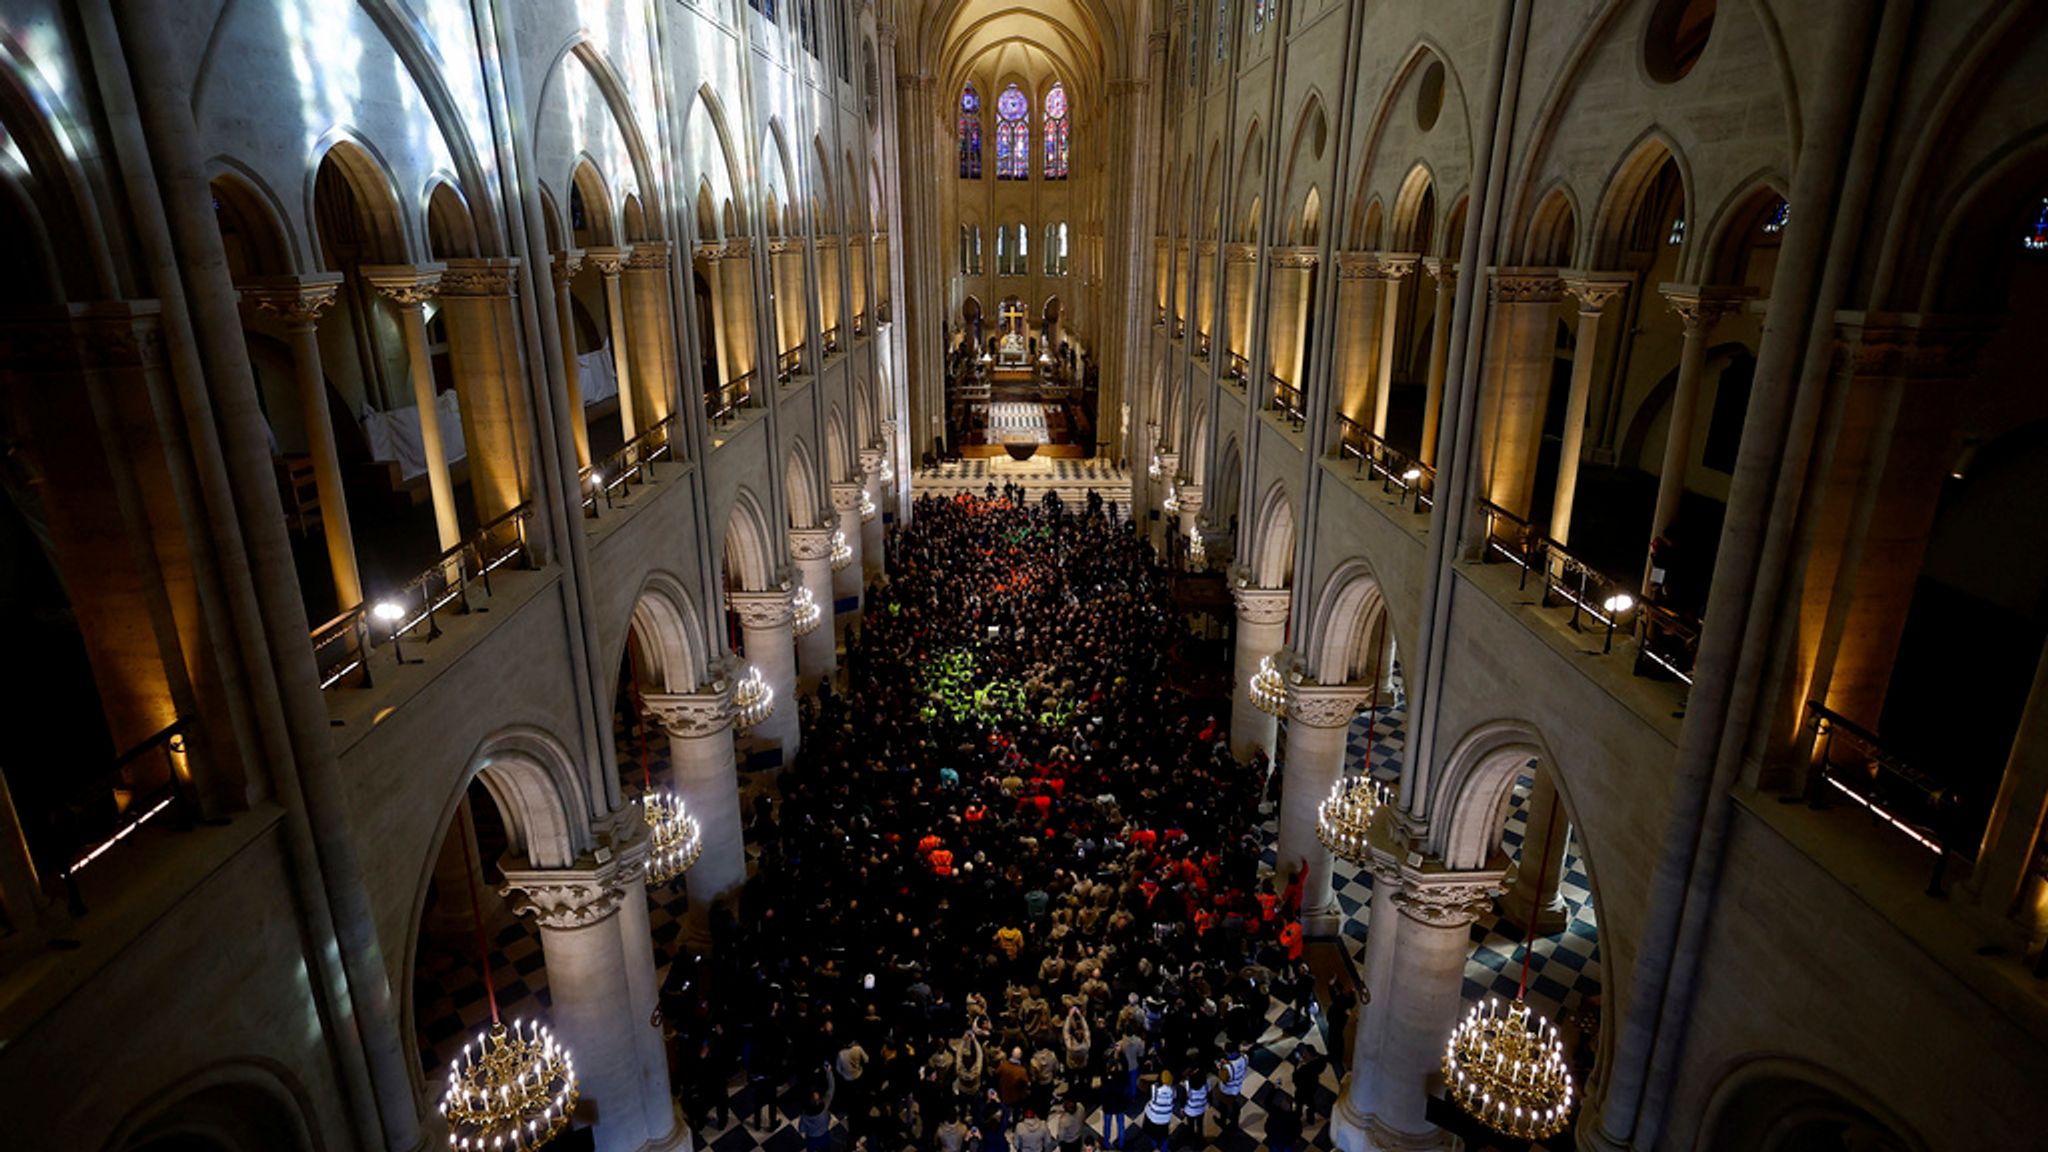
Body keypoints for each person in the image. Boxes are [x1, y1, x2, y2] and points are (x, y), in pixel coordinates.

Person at [798, 1062, 835, 1152]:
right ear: (818, 1101)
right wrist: (829, 1072)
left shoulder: (805, 1115)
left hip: (811, 1138)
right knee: (826, 1149)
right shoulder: (825, 1106)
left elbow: (801, 1128)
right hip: (824, 1135)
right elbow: (831, 1088)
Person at [1141, 1068, 1178, 1151]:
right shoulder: (1173, 1090)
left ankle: (1154, 1145)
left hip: (1153, 1116)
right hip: (1165, 1118)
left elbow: (1148, 1096)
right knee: (1164, 1135)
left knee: (1152, 1133)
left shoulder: (1154, 1088)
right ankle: (1164, 1148)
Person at [1214, 1042, 1248, 1130]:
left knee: (1223, 1106)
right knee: (1235, 1107)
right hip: (1238, 1087)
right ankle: (1235, 1123)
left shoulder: (1227, 1067)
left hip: (1227, 1091)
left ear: (1228, 1052)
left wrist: (1221, 1066)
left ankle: (1222, 1121)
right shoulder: (1245, 1057)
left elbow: (1223, 1078)